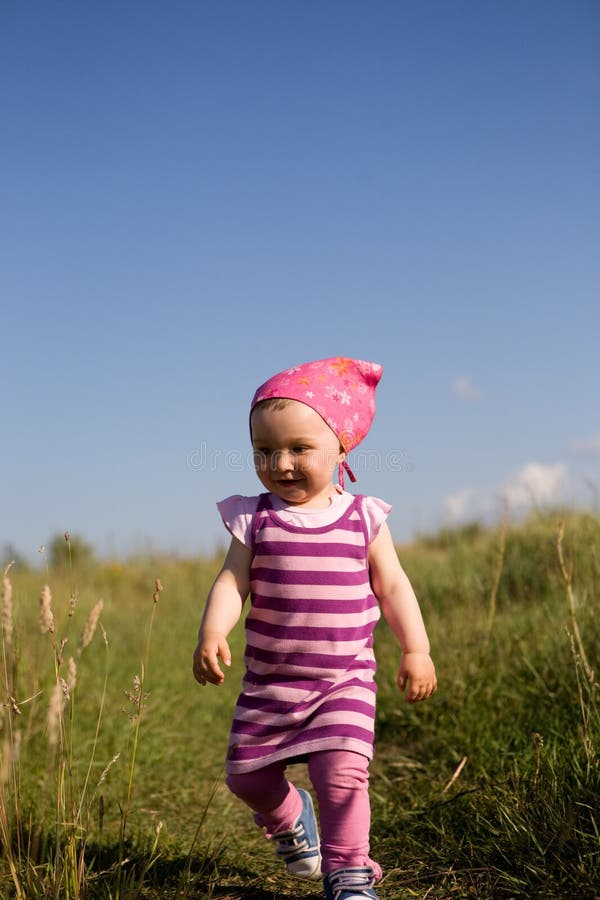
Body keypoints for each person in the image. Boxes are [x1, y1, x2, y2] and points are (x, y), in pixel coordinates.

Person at [193, 357, 437, 900]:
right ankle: (288, 815)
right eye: (264, 451)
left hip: (344, 679)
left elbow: (394, 587)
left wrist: (416, 649)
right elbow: (232, 582)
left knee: (342, 775)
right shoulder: (254, 518)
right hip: (271, 684)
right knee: (246, 778)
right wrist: (213, 632)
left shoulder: (364, 517)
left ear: (342, 448)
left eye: (299, 448)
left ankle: (348, 871)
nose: (280, 464)